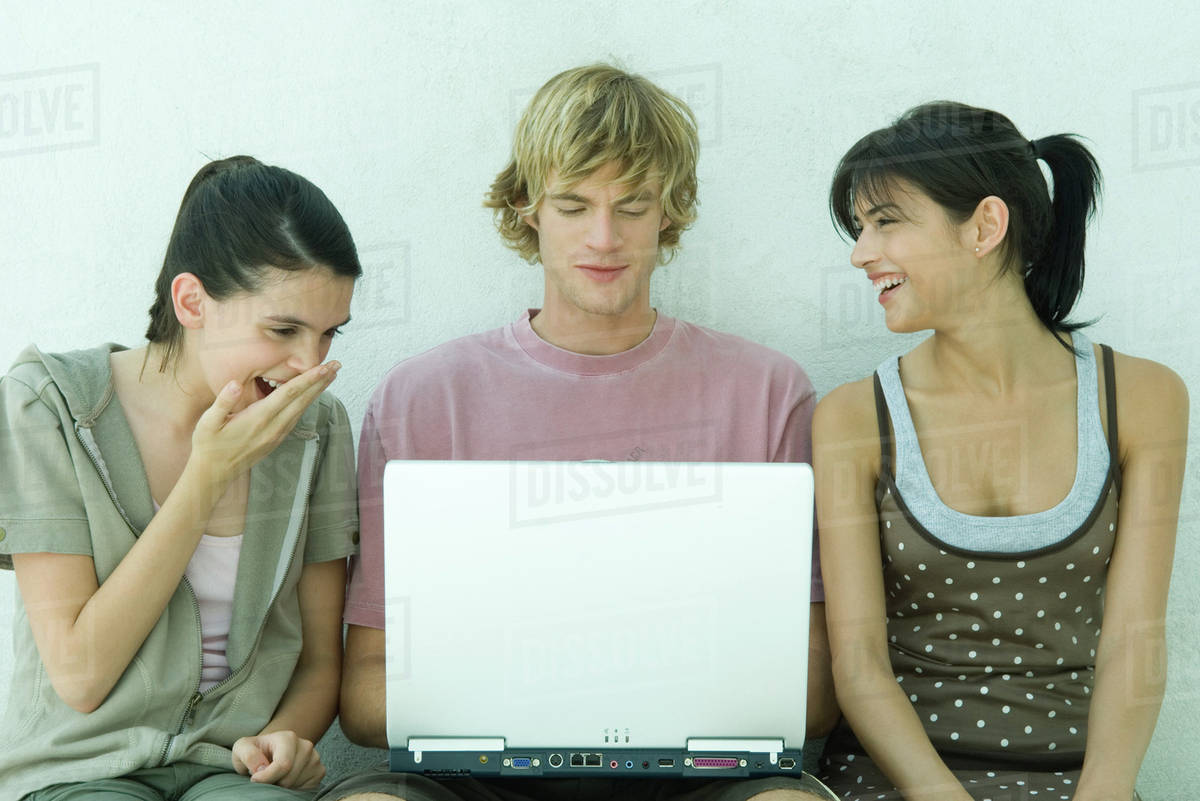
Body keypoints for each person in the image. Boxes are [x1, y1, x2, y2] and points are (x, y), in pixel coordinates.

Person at [322, 64, 838, 801]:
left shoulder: (768, 393)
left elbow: (812, 696)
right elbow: (365, 699)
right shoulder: (421, 399)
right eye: (573, 205)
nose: (604, 237)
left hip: (698, 782)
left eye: (632, 205)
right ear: (528, 207)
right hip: (476, 782)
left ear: (670, 209)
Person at [812, 102, 1188, 801]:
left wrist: (1104, 788)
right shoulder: (851, 417)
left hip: (1083, 781)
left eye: (886, 221)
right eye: (860, 228)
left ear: (985, 226)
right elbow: (859, 664)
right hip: (898, 781)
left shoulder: (1142, 398)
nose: (861, 253)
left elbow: (1135, 642)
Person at [0, 156, 362, 801]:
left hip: (230, 771)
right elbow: (81, 676)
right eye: (283, 329)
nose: (310, 364)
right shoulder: (47, 406)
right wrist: (208, 476)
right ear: (191, 301)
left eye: (329, 333)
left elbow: (318, 662)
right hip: (80, 768)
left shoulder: (317, 430)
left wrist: (283, 738)